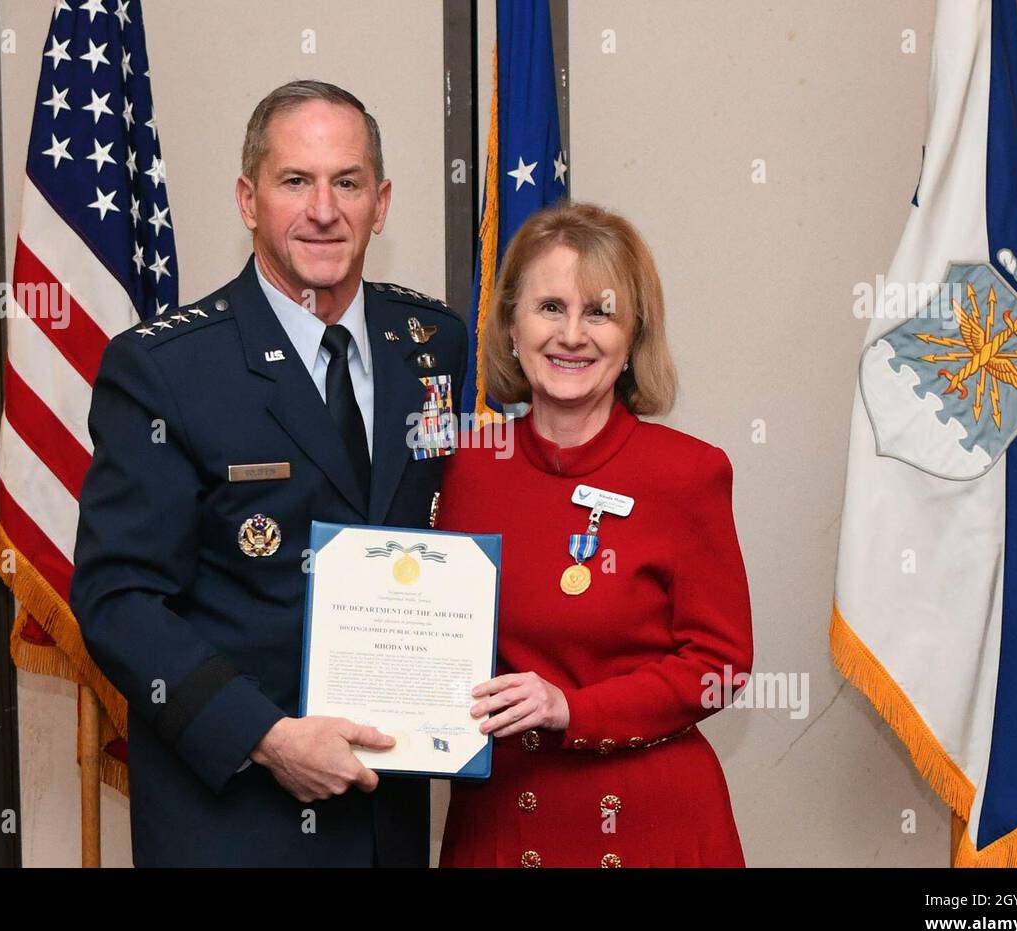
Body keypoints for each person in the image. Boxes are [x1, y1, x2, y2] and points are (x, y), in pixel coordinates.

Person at [70, 80, 467, 866]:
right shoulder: (165, 369)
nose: (324, 209)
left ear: (380, 203)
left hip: (386, 821)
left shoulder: (433, 343)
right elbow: (119, 598)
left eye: (347, 182)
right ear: (248, 198)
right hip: (232, 818)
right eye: (296, 181)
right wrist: (266, 737)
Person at [435, 201, 752, 867]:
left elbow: (721, 666)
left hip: (648, 826)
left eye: (599, 311)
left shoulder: (688, 473)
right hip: (503, 823)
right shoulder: (464, 468)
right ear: (512, 328)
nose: (572, 334)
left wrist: (570, 708)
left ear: (633, 336)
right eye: (550, 307)